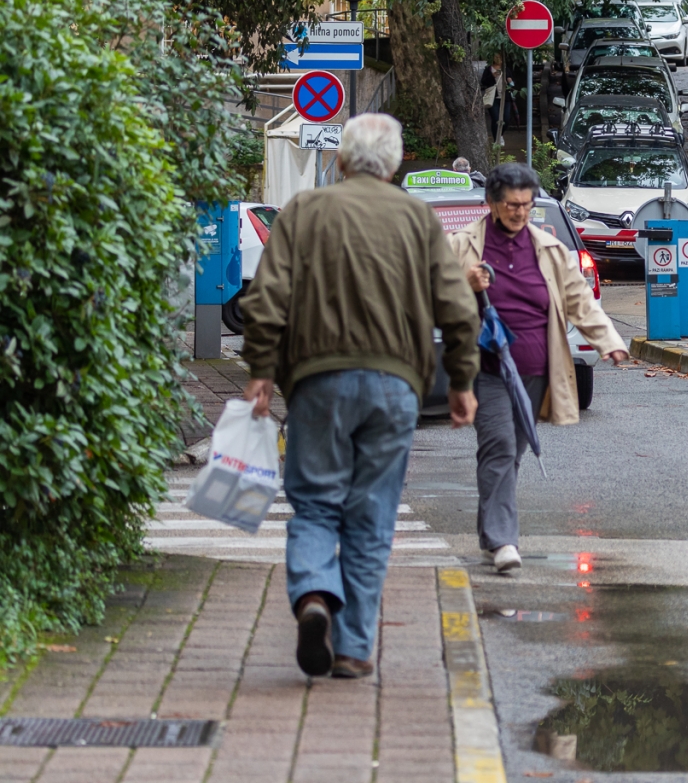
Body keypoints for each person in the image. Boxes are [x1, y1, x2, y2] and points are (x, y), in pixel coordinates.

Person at [240, 114, 480, 681]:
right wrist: (462, 380)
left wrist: (261, 371)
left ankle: (313, 593)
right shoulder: (417, 220)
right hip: (395, 385)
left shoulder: (304, 212)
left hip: (317, 379)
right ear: (393, 165)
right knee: (372, 513)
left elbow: (266, 298)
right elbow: (456, 306)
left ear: (343, 161)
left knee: (315, 503)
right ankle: (352, 647)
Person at [451, 163, 629, 573]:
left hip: (536, 368)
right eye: (512, 205)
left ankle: (491, 531)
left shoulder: (549, 250)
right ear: (492, 203)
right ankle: (503, 541)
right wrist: (465, 283)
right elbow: (434, 293)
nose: (520, 213)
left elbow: (579, 299)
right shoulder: (463, 245)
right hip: (488, 367)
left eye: (526, 205)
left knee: (511, 451)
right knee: (499, 446)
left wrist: (609, 342)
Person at [482, 53, 504, 144]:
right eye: (496, 57)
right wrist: (492, 76)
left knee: (506, 118)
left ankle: (500, 135)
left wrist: (510, 81)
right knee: (496, 118)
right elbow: (483, 82)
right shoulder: (488, 69)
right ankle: (496, 139)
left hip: (504, 97)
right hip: (493, 97)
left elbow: (511, 80)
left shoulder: (505, 69)